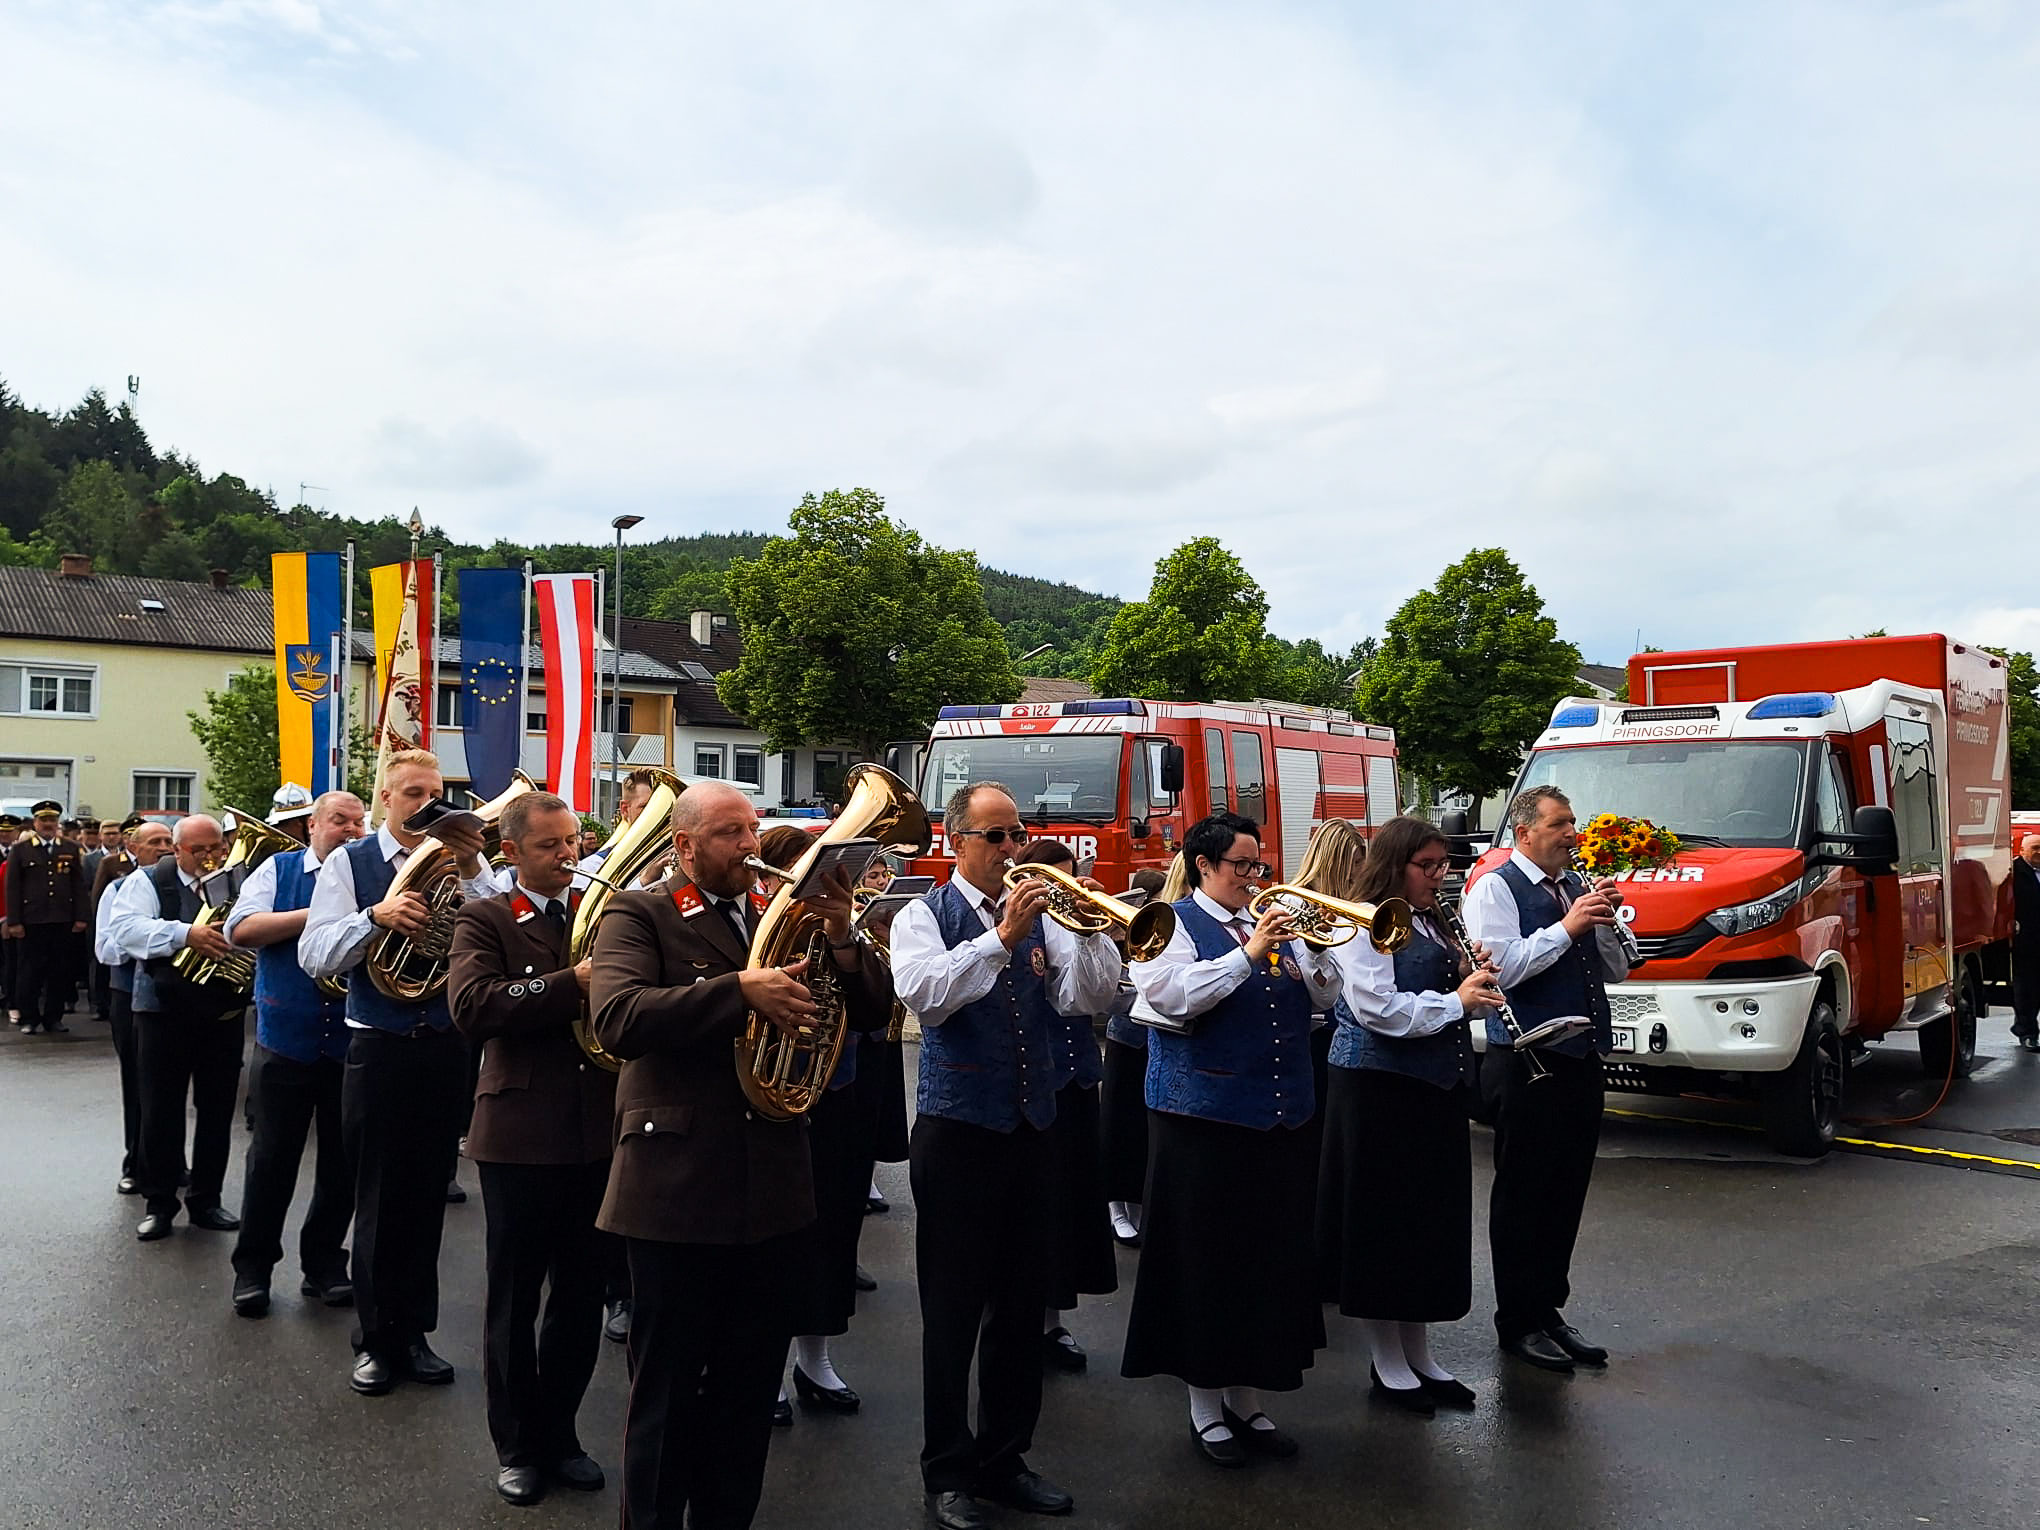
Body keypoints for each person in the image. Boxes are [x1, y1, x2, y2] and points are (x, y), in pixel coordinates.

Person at [589, 781, 887, 1530]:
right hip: (674, 1189)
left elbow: (876, 1013)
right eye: (730, 834)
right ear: (684, 846)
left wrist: (844, 936)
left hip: (775, 1186)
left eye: (752, 831)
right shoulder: (641, 912)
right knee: (665, 1391)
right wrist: (738, 991)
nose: (751, 847)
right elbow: (619, 1018)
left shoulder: (778, 914)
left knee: (747, 1391)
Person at [890, 783, 1122, 1530]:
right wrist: (1000, 939)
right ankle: (948, 1469)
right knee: (954, 1312)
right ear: (954, 840)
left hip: (1034, 1128)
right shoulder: (924, 914)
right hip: (958, 1132)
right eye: (995, 835)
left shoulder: (1046, 914)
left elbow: (1091, 1000)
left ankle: (1006, 1458)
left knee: (1023, 1308)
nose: (1011, 849)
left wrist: (1086, 930)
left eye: (1017, 833)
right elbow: (925, 996)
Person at [1122, 811, 1339, 1469]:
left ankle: (1248, 1399)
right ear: (1205, 865)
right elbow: (1173, 997)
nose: (1254, 877)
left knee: (1263, 1265)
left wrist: (1320, 951)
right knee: (1205, 1267)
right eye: (1242, 866)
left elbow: (1328, 1000)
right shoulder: (1170, 926)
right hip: (1202, 1122)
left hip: (1278, 1119)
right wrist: (1248, 955)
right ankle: (1204, 1406)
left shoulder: (1270, 924)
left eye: (1258, 865)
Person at [299, 748, 497, 1397]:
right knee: (380, 1196)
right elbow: (313, 952)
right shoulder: (348, 864)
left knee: (428, 1196)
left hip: (443, 1041)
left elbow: (500, 927)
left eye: (434, 792)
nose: (426, 804)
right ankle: (376, 1339)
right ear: (386, 799)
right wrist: (374, 917)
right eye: (412, 793)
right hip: (379, 1045)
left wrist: (471, 862)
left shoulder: (458, 860)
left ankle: (416, 1332)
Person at [449, 791, 615, 1507]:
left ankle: (562, 1433)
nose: (569, 855)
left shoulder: (601, 916)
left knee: (580, 1298)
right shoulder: (485, 917)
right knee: (516, 1299)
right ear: (511, 852)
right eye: (551, 846)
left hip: (597, 1130)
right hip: (518, 1132)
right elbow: (474, 1007)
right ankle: (516, 1443)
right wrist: (565, 984)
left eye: (573, 842)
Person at [1317, 816, 1500, 1415]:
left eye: (1441, 866)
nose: (1437, 877)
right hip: (1377, 1088)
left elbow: (1432, 995)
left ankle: (1419, 1355)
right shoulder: (1364, 922)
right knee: (1382, 1226)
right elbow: (1379, 1011)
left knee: (1425, 1225)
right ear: (1395, 864)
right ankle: (1386, 1362)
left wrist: (1469, 980)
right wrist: (1458, 1000)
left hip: (1431, 1086)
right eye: (1426, 867)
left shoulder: (1434, 920)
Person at [1461, 784, 1635, 1374]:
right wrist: (1567, 928)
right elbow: (1499, 968)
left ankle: (1548, 1308)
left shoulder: (1573, 887)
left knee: (1566, 1189)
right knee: (1523, 1193)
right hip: (1528, 1062)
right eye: (1560, 824)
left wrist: (1605, 923)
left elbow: (1617, 967)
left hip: (1580, 1056)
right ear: (1524, 832)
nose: (1572, 834)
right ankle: (1517, 1319)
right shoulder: (1494, 888)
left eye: (1573, 823)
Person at [223, 791, 367, 1317]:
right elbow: (239, 930)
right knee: (271, 1162)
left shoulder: (367, 872)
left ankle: (324, 1264)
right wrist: (319, 915)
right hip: (285, 1040)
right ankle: (253, 1270)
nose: (351, 830)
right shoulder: (278, 870)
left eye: (358, 822)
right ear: (312, 825)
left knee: (342, 1164)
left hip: (350, 1043)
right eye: (338, 821)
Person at [751, 823, 870, 1426]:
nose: (810, 887)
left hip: (833, 1092)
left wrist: (844, 933)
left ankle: (816, 1358)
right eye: (798, 872)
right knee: (776, 1243)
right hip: (765, 1098)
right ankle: (766, 1369)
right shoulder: (753, 924)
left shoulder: (840, 925)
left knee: (832, 1232)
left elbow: (877, 1006)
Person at [105, 814, 247, 1241]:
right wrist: (187, 934)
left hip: (220, 1011)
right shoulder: (147, 880)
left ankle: (206, 1200)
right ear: (177, 850)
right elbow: (124, 930)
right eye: (197, 850)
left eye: (215, 848)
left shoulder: (234, 879)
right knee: (160, 1110)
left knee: (218, 1110)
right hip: (161, 1012)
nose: (208, 857)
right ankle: (159, 1203)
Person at [1008, 838, 1117, 1374]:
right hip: (1033, 1082)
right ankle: (1015, 1320)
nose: (1065, 889)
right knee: (1033, 1207)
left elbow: (1095, 998)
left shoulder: (1074, 922)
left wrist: (1090, 930)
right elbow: (1056, 996)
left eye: (1070, 878)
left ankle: (1052, 1320)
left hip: (1075, 1081)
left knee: (1070, 1204)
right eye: (1057, 881)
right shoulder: (1016, 924)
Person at [96, 817, 170, 1195]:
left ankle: (171, 1163)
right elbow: (105, 949)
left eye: (168, 841)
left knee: (171, 1088)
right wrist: (149, 937)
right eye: (154, 842)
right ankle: (135, 1162)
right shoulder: (118, 888)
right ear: (134, 849)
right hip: (128, 996)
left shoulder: (183, 886)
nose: (162, 848)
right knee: (138, 1084)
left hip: (174, 997)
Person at [1100, 866, 1168, 1246]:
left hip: (1155, 1038)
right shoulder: (1126, 933)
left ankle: (1139, 1203)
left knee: (1142, 1128)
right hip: (1127, 1036)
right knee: (1120, 1124)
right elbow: (1109, 997)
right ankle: (1115, 1206)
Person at [5, 801, 90, 1034]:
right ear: (35, 823)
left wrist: (81, 917)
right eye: (44, 820)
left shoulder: (70, 848)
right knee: (29, 973)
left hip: (62, 920)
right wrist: (14, 921)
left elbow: (78, 885)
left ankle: (54, 1018)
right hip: (31, 921)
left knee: (59, 972)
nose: (48, 825)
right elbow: (12, 888)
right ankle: (29, 1018)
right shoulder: (21, 850)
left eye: (52, 820)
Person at [2012, 834, 2040, 1053]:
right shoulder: (2014, 873)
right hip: (2027, 941)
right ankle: (2027, 1033)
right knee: (2028, 990)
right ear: (2022, 850)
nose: (2039, 852)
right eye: (2035, 848)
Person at [0, 812, 21, 1023]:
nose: (5, 835)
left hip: (10, 915)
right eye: (2, 831)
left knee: (10, 961)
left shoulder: (20, 853)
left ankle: (9, 999)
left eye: (9, 831)